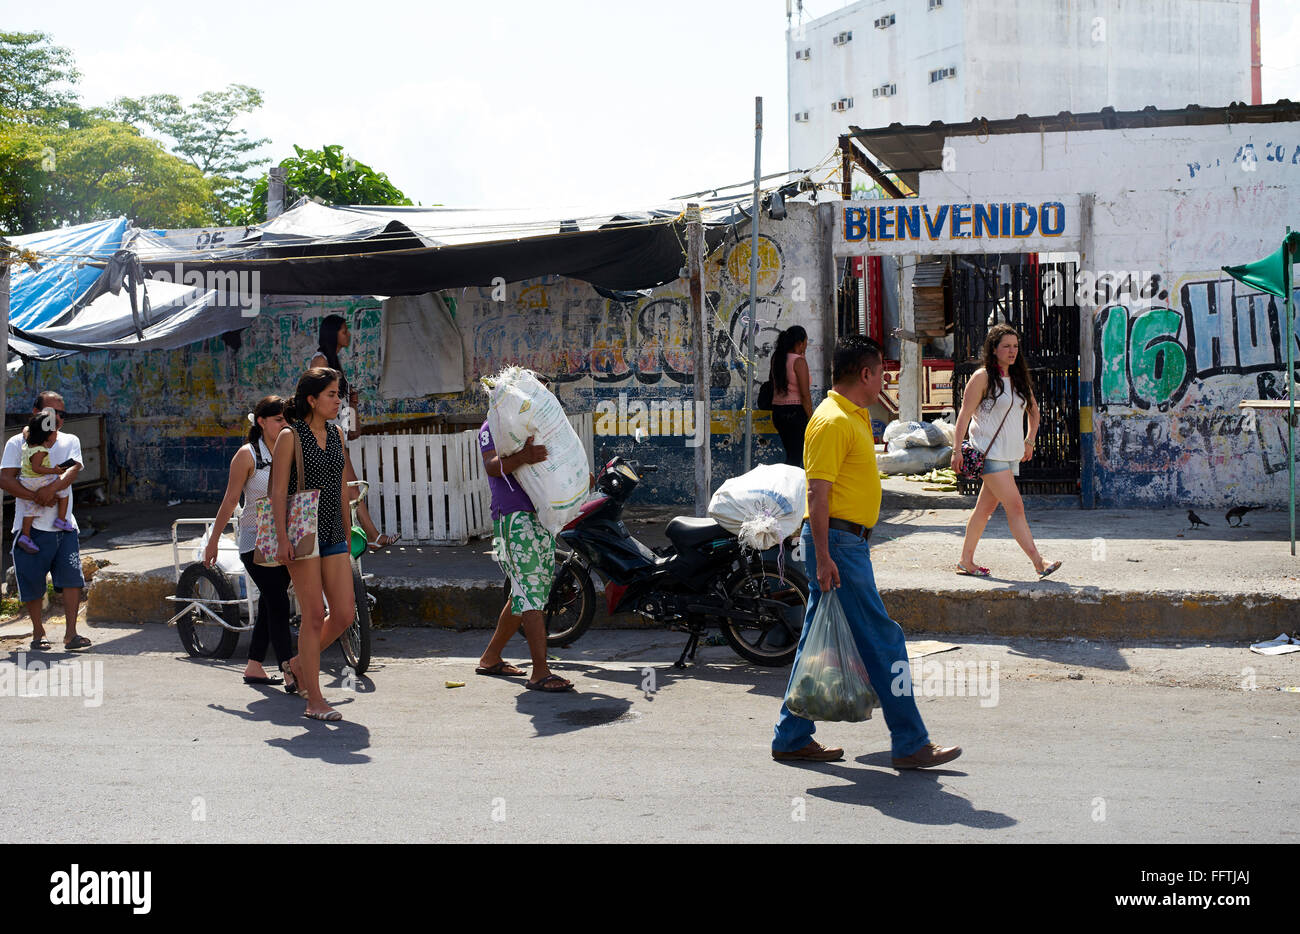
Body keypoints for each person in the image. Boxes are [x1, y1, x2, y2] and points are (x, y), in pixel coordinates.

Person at [772, 336, 961, 767]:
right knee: (885, 641)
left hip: (845, 543)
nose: (884, 380)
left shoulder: (853, 415)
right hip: (837, 545)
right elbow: (819, 495)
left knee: (815, 645)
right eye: (880, 372)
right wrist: (823, 558)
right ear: (865, 374)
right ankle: (911, 742)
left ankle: (790, 735)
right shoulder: (832, 420)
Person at [272, 369, 355, 721]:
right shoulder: (290, 436)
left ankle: (295, 664)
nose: (339, 401)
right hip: (301, 531)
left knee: (344, 614)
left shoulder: (336, 434)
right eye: (333, 395)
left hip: (334, 530)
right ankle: (315, 700)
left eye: (339, 395)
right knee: (314, 617)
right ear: (312, 399)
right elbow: (277, 492)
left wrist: (349, 533)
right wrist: (281, 539)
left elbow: (341, 488)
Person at [950, 323, 1061, 580]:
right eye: (1006, 346)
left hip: (1009, 454)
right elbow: (964, 416)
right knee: (1016, 506)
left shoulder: (1018, 378)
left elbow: (1034, 411)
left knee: (984, 510)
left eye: (1015, 346)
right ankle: (1038, 561)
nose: (1012, 351)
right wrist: (957, 450)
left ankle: (966, 561)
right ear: (994, 349)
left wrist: (1030, 439)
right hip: (988, 454)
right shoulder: (982, 377)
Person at [202, 396, 296, 689]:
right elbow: (231, 501)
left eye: (287, 420)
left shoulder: (290, 449)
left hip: (284, 537)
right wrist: (213, 541)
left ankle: (255, 665)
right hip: (254, 541)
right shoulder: (247, 455)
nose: (284, 425)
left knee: (273, 601)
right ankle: (290, 669)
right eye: (279, 420)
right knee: (279, 603)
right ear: (261, 422)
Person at [475, 420, 574, 693]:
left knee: (526, 590)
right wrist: (524, 457)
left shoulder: (533, 428)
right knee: (529, 591)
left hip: (539, 515)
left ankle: (490, 658)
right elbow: (492, 466)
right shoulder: (492, 426)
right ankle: (540, 672)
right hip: (513, 517)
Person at [0, 392, 89, 652]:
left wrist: (52, 490)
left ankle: (71, 634)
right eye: (52, 413)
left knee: (72, 580)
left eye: (62, 414)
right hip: (30, 527)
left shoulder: (69, 439)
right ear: (35, 412)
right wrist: (35, 497)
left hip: (65, 527)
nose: (58, 418)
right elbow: (6, 478)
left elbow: (74, 467)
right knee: (32, 582)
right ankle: (39, 633)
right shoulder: (18, 442)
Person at [308, 314, 397, 550]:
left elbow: (350, 425)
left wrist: (353, 403)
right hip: (324, 435)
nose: (348, 335)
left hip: (337, 434)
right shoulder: (320, 361)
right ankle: (368, 537)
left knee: (349, 489)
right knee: (349, 488)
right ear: (333, 333)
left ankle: (364, 538)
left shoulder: (335, 364)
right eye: (344, 330)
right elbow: (312, 403)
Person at [15, 414, 76, 553]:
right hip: (37, 479)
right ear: (47, 435)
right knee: (63, 491)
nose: (56, 435)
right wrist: (54, 470)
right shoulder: (41, 450)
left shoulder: (27, 444)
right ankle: (61, 520)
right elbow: (37, 468)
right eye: (55, 431)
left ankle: (25, 536)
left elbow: (26, 430)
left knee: (31, 509)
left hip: (26, 480)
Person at [769, 325, 813, 467]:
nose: (806, 347)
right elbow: (805, 395)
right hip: (795, 413)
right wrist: (811, 418)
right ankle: (788, 487)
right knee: (796, 457)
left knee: (791, 455)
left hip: (778, 413)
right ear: (799, 343)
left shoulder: (777, 358)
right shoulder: (799, 362)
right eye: (805, 343)